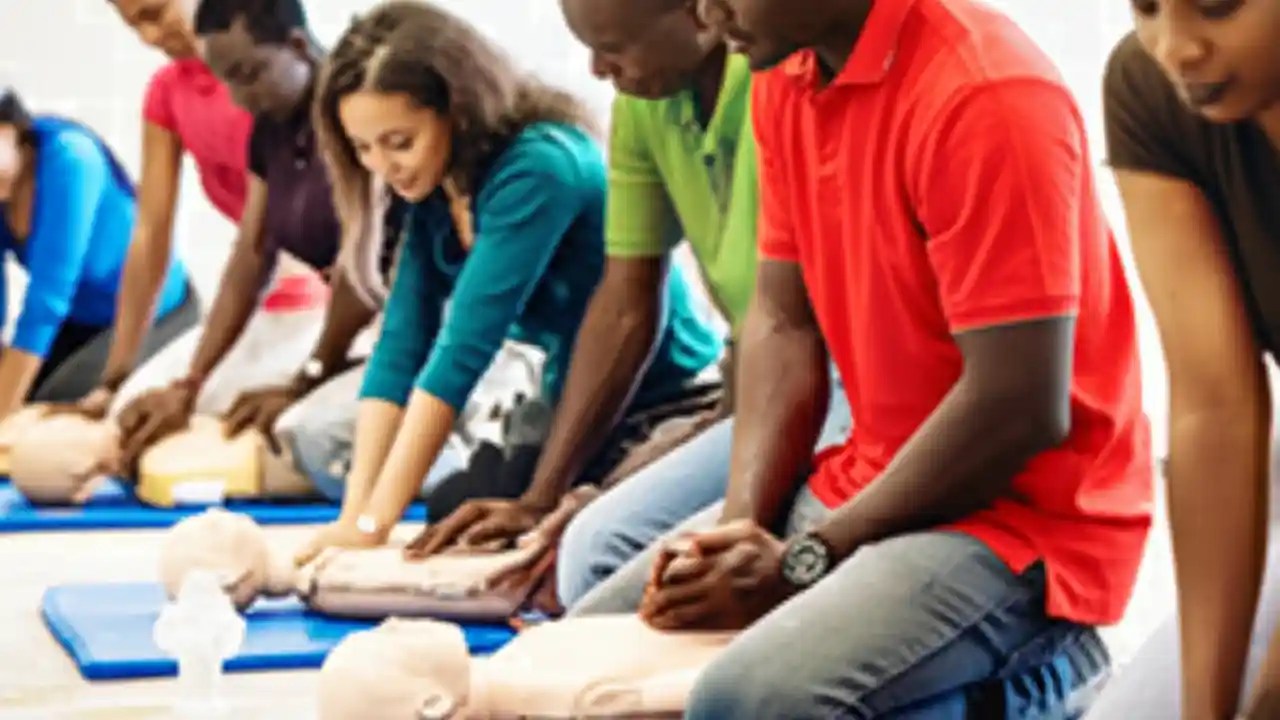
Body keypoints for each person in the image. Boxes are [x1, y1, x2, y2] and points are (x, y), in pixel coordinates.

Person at [566, 0, 1154, 716]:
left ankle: (1040, 679)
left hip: (1020, 522)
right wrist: (738, 530)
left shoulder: (986, 93)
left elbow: (1018, 407)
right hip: (867, 479)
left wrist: (808, 557)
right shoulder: (785, 75)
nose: (707, 12)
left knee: (747, 700)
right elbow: (782, 322)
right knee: (579, 661)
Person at [292, 0, 724, 566]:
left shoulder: (539, 168)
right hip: (568, 403)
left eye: (399, 142)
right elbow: (400, 347)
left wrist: (375, 527)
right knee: (454, 504)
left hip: (662, 399)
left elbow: (461, 353)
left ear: (457, 111)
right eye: (362, 148)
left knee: (530, 529)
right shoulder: (434, 191)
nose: (382, 166)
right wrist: (356, 520)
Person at [402, 0, 813, 568]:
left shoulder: (778, 76)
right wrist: (543, 497)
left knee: (597, 546)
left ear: (701, 19)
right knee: (577, 536)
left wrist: (740, 517)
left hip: (799, 386)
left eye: (614, 49)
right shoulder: (644, 105)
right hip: (745, 386)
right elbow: (624, 301)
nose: (597, 70)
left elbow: (791, 334)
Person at [1084, 3, 1280, 718]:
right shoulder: (1151, 90)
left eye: (1218, 5)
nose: (1175, 47)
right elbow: (1214, 407)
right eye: (1147, 6)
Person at [110, 0, 407, 470]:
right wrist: (190, 382)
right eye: (226, 80)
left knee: (310, 435)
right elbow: (250, 257)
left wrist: (308, 378)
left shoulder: (356, 116)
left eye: (249, 75)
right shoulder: (271, 130)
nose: (238, 97)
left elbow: (361, 273)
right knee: (193, 409)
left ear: (297, 46)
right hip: (379, 334)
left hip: (429, 330)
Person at [75, 0, 327, 423]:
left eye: (156, 13)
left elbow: (275, 244)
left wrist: (311, 374)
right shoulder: (172, 92)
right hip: (253, 298)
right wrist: (116, 377)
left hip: (312, 301)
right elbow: (153, 235)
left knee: (238, 420)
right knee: (128, 411)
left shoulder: (273, 84)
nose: (149, 37)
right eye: (134, 25)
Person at [0, 87, 196, 412]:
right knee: (23, 397)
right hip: (81, 320)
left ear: (9, 127)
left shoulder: (71, 158)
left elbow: (46, 302)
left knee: (51, 410)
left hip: (152, 316)